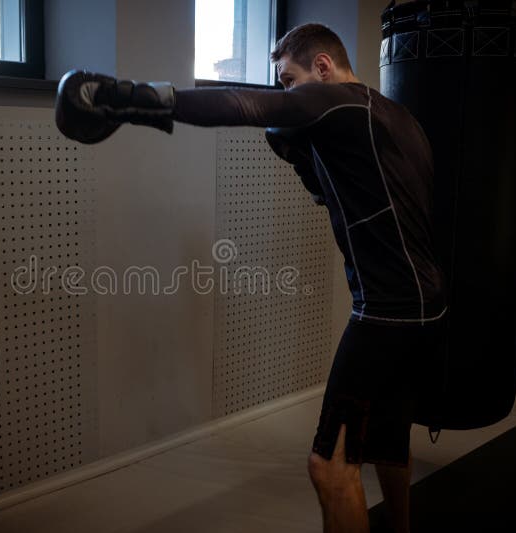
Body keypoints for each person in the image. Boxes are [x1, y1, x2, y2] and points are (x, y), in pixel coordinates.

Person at [56, 23, 447, 533]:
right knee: (390, 439)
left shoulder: (338, 103)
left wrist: (130, 100)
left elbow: (246, 107)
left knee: (329, 467)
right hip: (428, 310)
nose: (286, 93)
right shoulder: (399, 118)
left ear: (322, 68)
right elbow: (372, 199)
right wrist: (310, 163)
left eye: (288, 80)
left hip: (384, 315)